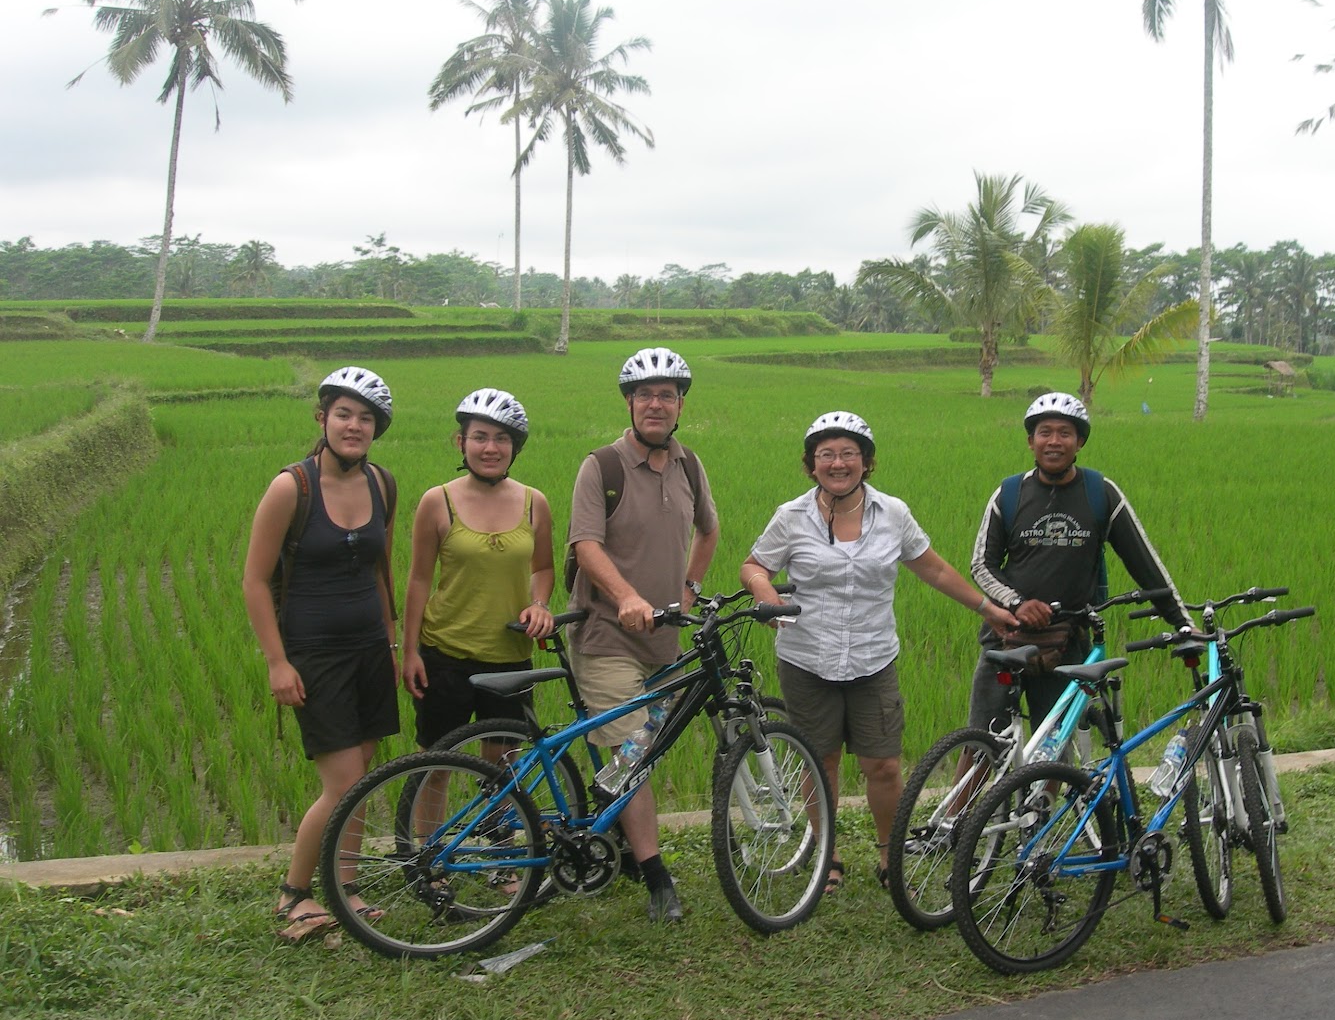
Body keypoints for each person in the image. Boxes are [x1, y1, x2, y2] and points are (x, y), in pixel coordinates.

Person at [740, 411, 1018, 894]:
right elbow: (754, 565)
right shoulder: (792, 516)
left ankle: (889, 851)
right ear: (811, 465)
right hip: (807, 657)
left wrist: (986, 607)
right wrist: (765, 595)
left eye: (849, 453)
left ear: (866, 463)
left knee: (883, 764)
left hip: (872, 657)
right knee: (819, 760)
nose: (838, 463)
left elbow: (931, 568)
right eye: (826, 454)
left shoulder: (893, 513)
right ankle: (827, 853)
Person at [242, 366, 400, 942]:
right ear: (322, 418)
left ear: (376, 429)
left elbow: (382, 573)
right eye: (343, 414)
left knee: (364, 774)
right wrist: (277, 662)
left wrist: (390, 643)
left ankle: (346, 885)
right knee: (344, 781)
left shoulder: (382, 484)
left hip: (368, 650)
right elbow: (255, 581)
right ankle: (294, 893)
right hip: (315, 652)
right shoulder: (293, 487)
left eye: (365, 418)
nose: (353, 426)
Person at [566, 347, 718, 924]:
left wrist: (690, 586)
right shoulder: (601, 466)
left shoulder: (689, 466)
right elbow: (586, 545)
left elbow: (709, 528)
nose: (657, 404)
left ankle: (624, 842)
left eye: (667, 395)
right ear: (630, 403)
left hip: (664, 643)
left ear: (679, 406)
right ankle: (658, 879)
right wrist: (626, 596)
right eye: (645, 395)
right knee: (633, 753)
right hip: (609, 636)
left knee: (640, 750)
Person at [967, 391, 1192, 738]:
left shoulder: (1100, 492)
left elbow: (1145, 565)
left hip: (1067, 637)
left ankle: (1043, 796)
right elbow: (982, 564)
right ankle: (968, 794)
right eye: (1045, 432)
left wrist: (1183, 625)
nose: (1054, 441)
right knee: (981, 741)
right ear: (1031, 441)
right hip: (1007, 635)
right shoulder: (1009, 493)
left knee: (1055, 743)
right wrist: (1017, 603)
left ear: (1080, 441)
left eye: (1065, 433)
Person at [402, 388, 556, 755]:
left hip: (509, 658)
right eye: (480, 437)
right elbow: (419, 580)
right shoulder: (437, 501)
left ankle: (496, 818)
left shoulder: (535, 503)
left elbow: (545, 567)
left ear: (515, 446)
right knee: (435, 767)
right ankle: (428, 818)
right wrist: (409, 652)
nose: (491, 448)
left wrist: (540, 604)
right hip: (445, 655)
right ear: (461, 442)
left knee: (505, 771)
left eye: (502, 438)